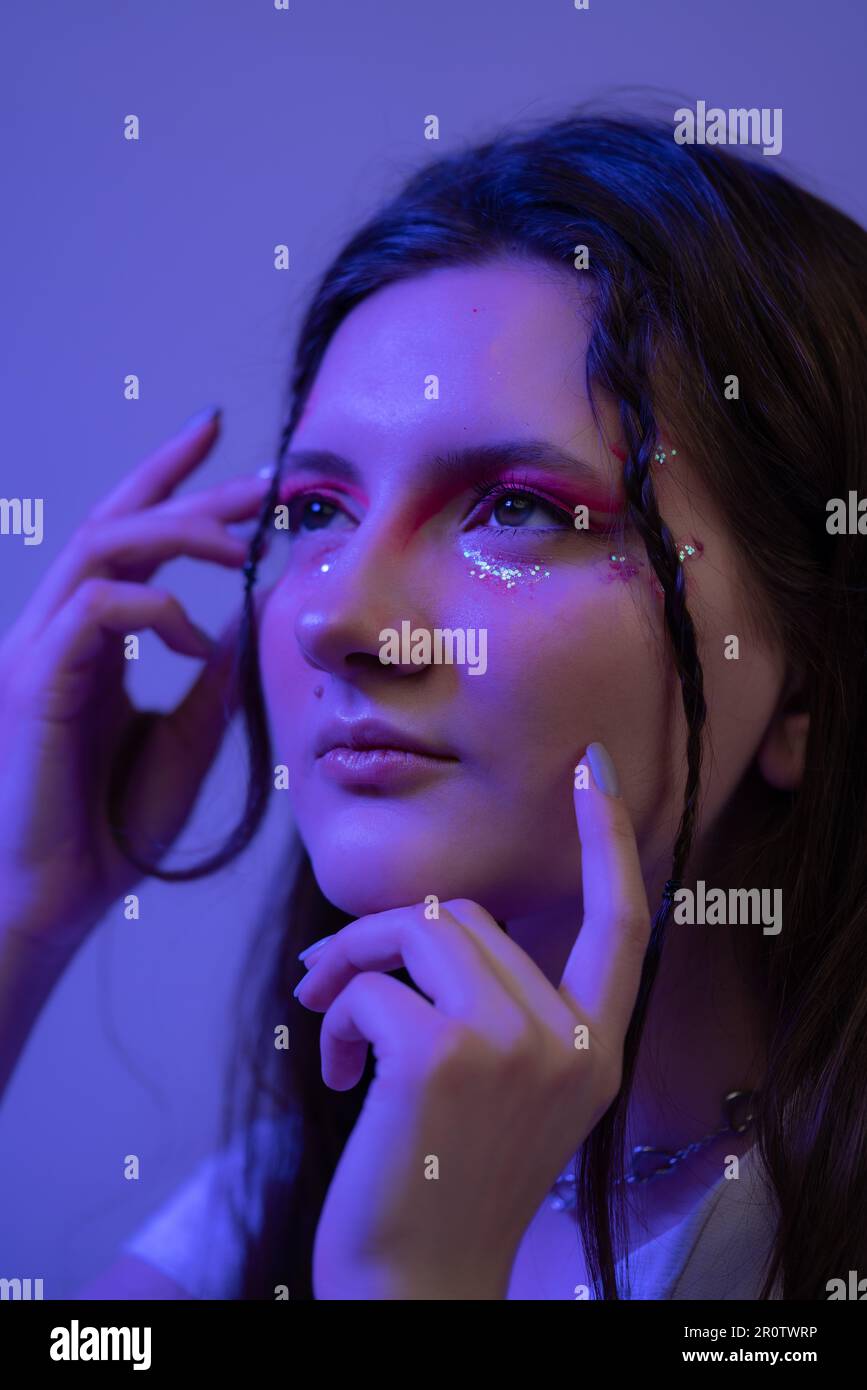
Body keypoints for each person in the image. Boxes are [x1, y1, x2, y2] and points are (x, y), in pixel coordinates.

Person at [2, 110, 866, 1301]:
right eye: (314, 511)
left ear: (812, 673)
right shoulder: (293, 1183)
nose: (334, 619)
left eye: (517, 509)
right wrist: (23, 908)